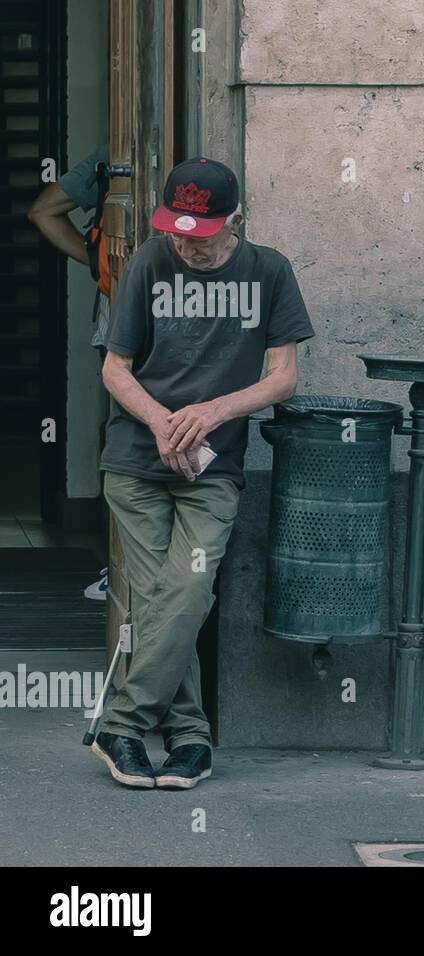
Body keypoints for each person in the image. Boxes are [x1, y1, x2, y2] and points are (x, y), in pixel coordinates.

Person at [91, 156, 314, 789]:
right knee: (160, 599)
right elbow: (114, 369)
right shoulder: (147, 263)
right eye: (178, 232)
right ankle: (190, 738)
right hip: (136, 463)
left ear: (234, 219)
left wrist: (214, 410)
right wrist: (165, 424)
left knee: (184, 591)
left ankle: (123, 725)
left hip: (214, 469)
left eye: (202, 233)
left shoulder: (270, 271)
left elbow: (284, 377)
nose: (188, 245)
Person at [27, 144, 113, 599]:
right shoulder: (175, 147)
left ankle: (123, 571)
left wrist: (104, 266)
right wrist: (102, 264)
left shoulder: (110, 156)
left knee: (123, 438)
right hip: (168, 324)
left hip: (118, 325)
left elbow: (43, 211)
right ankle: (133, 572)